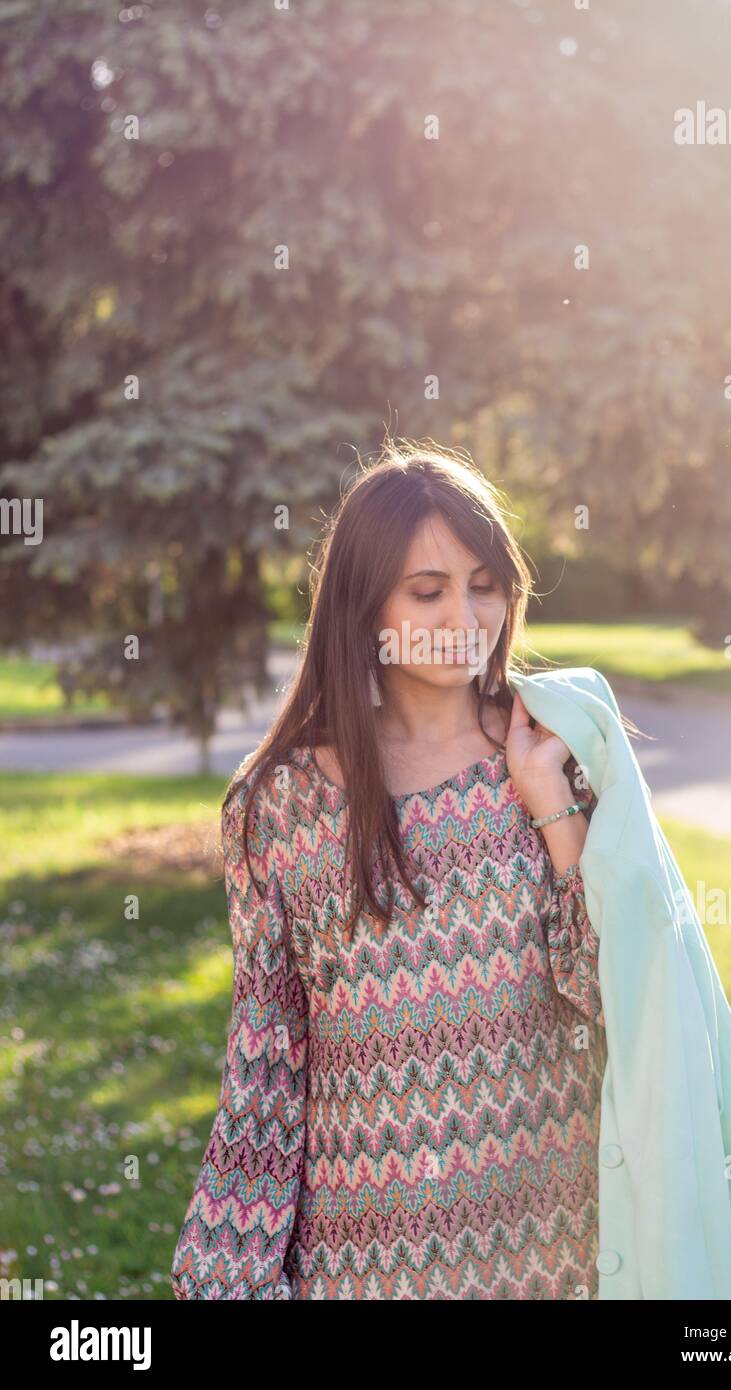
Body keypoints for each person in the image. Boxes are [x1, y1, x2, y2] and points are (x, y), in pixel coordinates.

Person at [170, 439, 610, 1300]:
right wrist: (234, 1275)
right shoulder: (279, 804)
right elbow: (267, 1064)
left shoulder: (559, 751)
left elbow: (618, 992)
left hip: (551, 1242)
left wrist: (549, 802)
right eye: (428, 590)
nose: (465, 616)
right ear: (365, 604)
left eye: (485, 585)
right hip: (363, 1256)